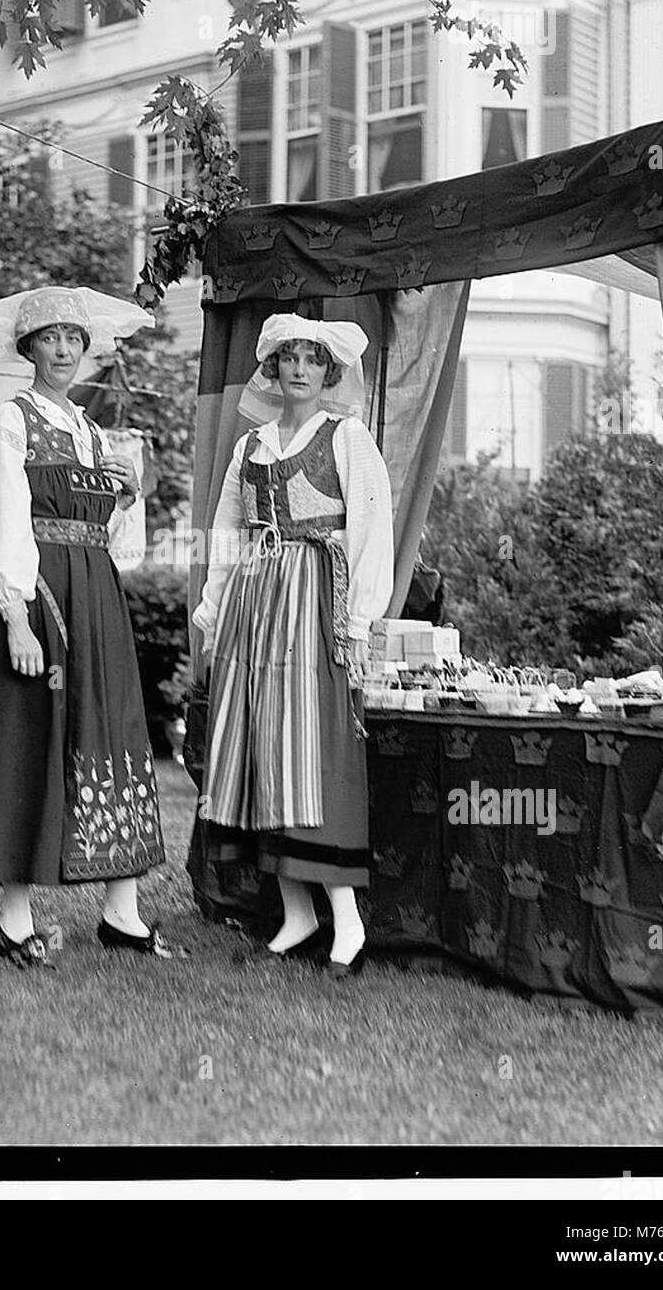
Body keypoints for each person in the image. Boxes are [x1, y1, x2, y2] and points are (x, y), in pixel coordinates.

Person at [0, 286, 178, 967]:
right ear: (28, 349)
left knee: (112, 728)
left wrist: (128, 493)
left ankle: (121, 911)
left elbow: (118, 540)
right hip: (41, 595)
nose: (66, 349)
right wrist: (14, 615)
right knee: (28, 736)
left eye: (75, 338)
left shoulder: (92, 431)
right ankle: (14, 922)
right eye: (50, 339)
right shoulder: (10, 422)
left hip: (96, 594)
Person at [191, 314, 393, 978]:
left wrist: (358, 622)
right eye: (288, 357)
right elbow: (226, 530)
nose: (298, 368)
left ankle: (347, 923)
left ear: (329, 372)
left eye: (311, 359)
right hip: (254, 604)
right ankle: (296, 912)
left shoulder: (346, 437)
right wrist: (215, 606)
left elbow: (369, 530)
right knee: (261, 751)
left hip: (312, 603)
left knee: (309, 749)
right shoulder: (250, 444)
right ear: (272, 369)